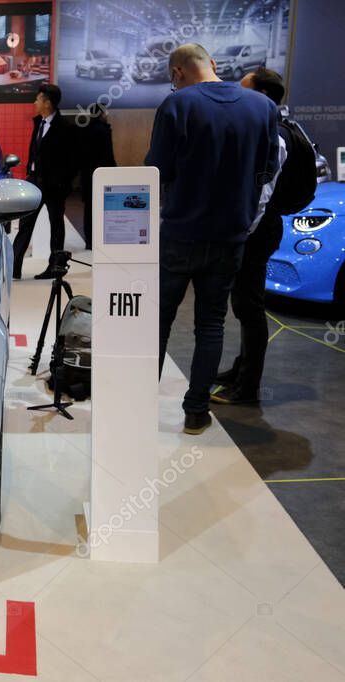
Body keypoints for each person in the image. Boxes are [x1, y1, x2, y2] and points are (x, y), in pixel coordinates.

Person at [146, 43, 280, 434]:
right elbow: (268, 168)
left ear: (177, 73)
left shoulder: (177, 106)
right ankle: (196, 412)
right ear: (214, 64)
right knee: (211, 324)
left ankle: (140, 407)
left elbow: (156, 170)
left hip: (179, 233)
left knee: (159, 323)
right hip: (230, 236)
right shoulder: (263, 108)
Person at [212, 68, 317, 405]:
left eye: (245, 91)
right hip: (262, 226)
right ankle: (241, 370)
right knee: (246, 303)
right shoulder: (284, 126)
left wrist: (241, 231)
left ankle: (247, 387)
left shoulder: (275, 133)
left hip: (258, 228)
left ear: (262, 95)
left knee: (249, 306)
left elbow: (262, 191)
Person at [12, 83, 76, 279]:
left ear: (47, 103)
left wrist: (63, 184)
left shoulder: (65, 128)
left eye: (38, 99)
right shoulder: (38, 123)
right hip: (35, 183)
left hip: (55, 187)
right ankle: (14, 267)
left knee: (56, 225)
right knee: (25, 225)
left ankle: (54, 267)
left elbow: (72, 160)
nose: (34, 103)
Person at [77, 103, 116, 250]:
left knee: (89, 209)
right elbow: (108, 156)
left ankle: (89, 240)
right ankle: (100, 239)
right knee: (102, 209)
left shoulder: (84, 130)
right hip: (102, 176)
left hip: (87, 176)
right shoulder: (104, 130)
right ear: (101, 114)